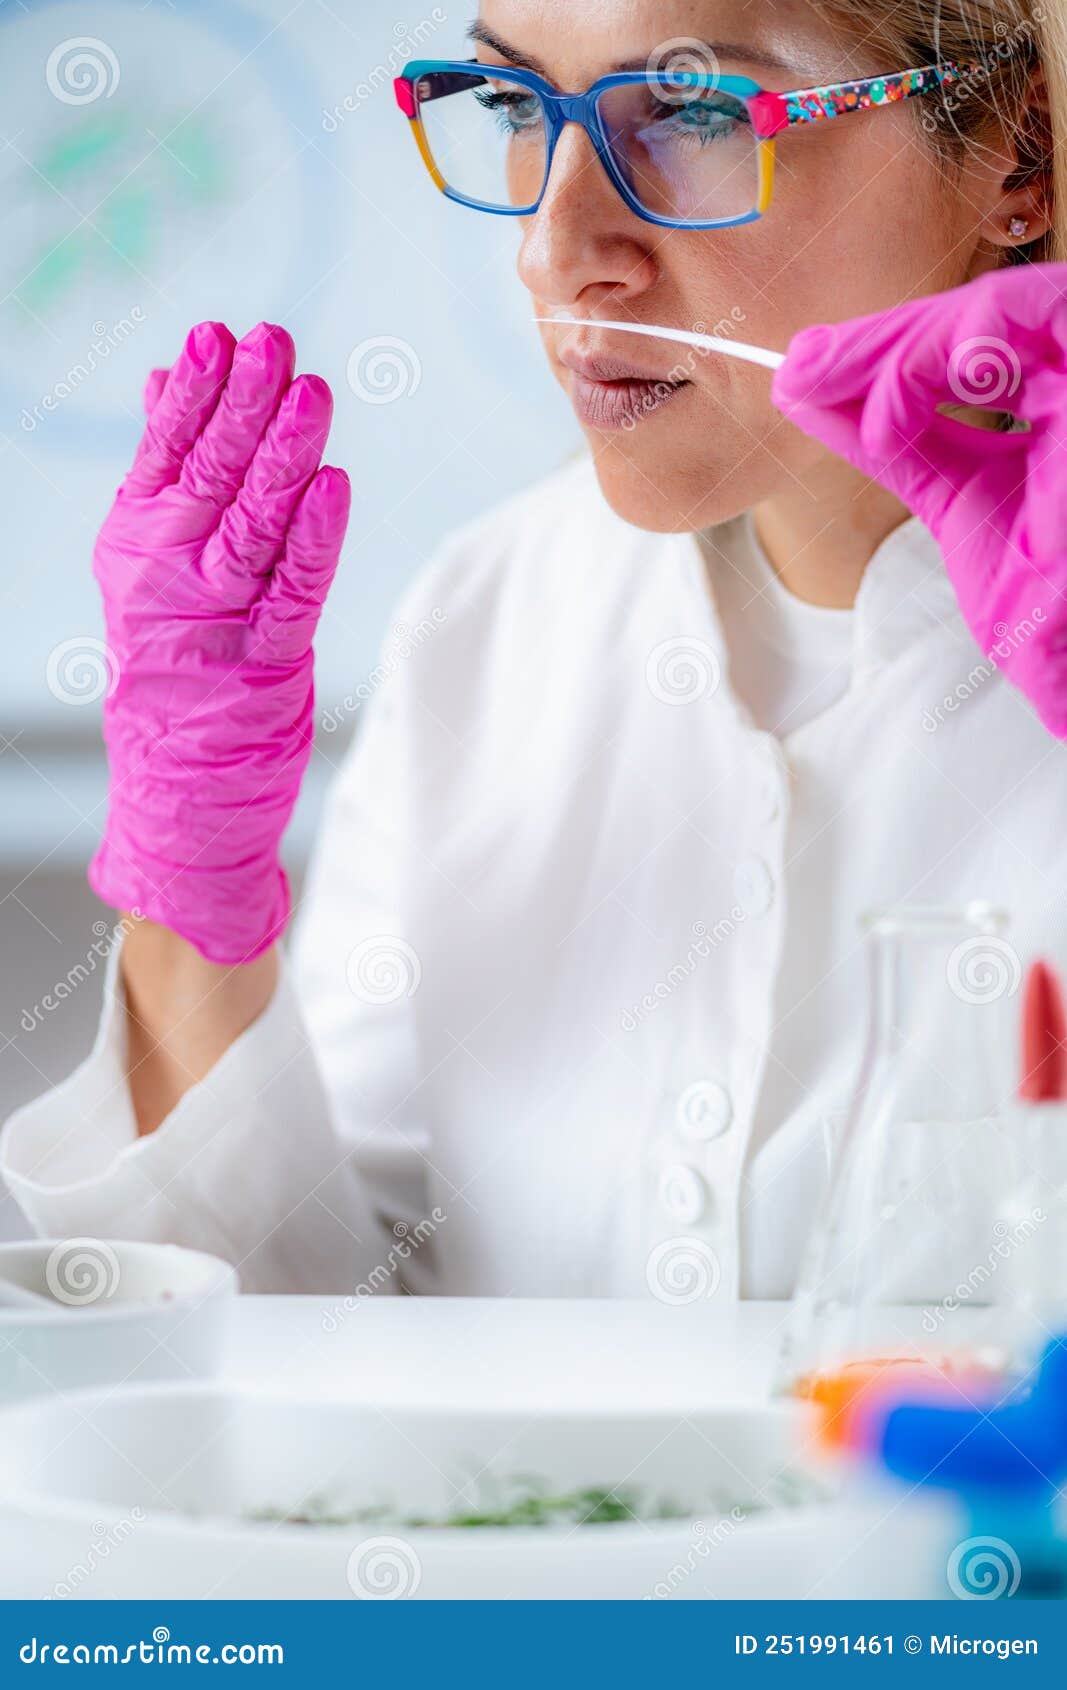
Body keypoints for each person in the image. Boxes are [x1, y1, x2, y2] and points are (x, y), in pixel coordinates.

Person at [3, 0, 1066, 1298]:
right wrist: (187, 916)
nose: (555, 249)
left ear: (1021, 149)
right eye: (515, 107)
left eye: (695, 111)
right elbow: (332, 1353)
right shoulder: (487, 622)